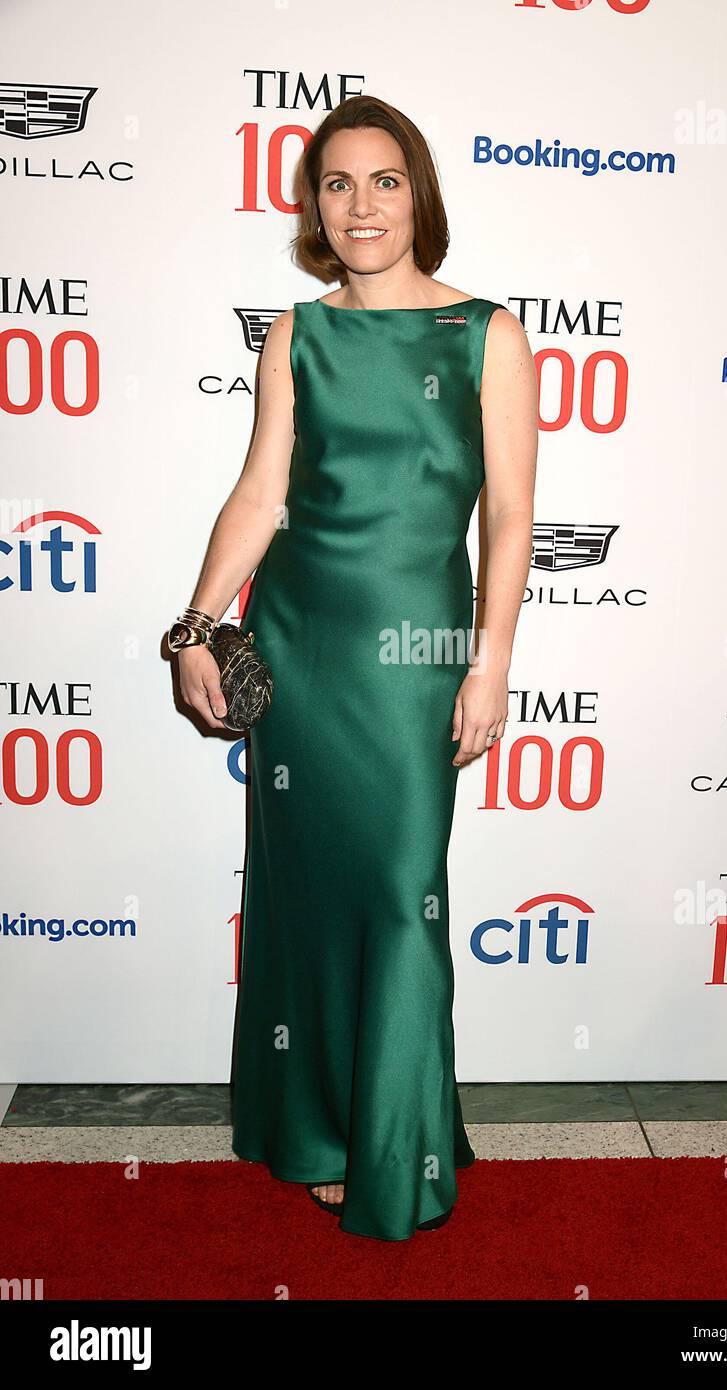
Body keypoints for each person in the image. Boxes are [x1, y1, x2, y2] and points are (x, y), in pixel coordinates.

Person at [169, 94, 537, 1240]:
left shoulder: (486, 334)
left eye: (382, 180)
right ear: (314, 205)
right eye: (336, 183)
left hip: (415, 657)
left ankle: (398, 1142)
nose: (360, 204)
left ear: (417, 191)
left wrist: (488, 665)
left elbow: (511, 522)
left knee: (397, 891)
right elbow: (259, 494)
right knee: (314, 901)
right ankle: (328, 1129)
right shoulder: (299, 332)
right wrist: (194, 625)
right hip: (299, 649)